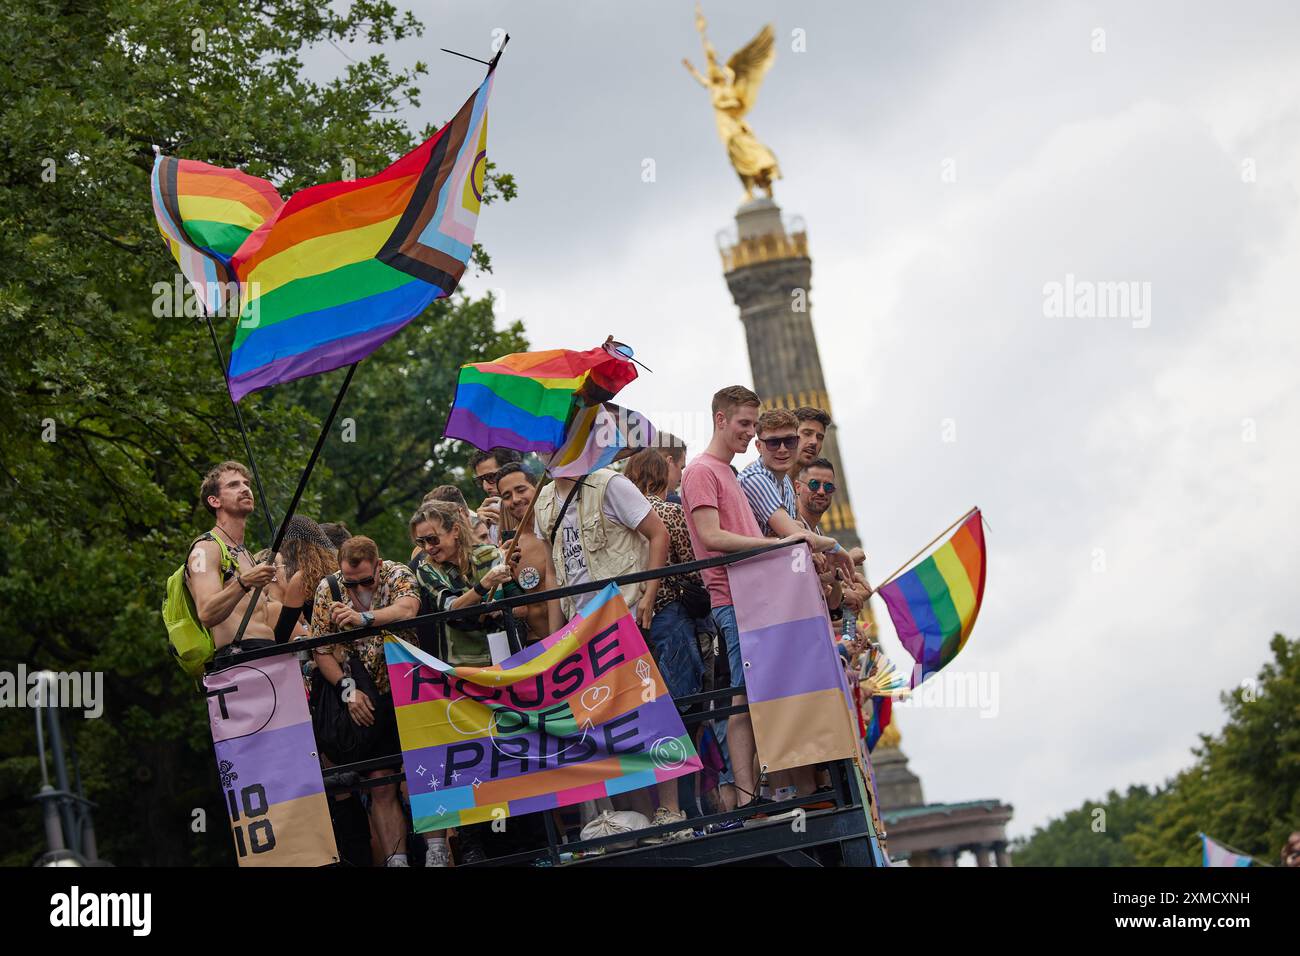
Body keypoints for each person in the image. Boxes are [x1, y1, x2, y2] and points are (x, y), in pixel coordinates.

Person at [679, 387, 838, 817]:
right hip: (730, 599)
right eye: (745, 425)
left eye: (755, 425)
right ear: (720, 420)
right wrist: (781, 543)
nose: (752, 434)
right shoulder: (700, 471)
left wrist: (783, 544)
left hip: (750, 595)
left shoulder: (727, 473)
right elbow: (710, 538)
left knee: (753, 698)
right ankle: (749, 799)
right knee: (744, 701)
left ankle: (757, 794)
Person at [408, 501, 515, 864]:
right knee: (471, 756)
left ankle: (523, 841)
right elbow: (452, 611)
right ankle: (472, 844)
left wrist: (479, 604)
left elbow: (502, 607)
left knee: (512, 747)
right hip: (460, 670)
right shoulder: (426, 568)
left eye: (433, 538)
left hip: (503, 664)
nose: (428, 548)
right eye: (421, 542)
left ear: (455, 529)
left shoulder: (489, 553)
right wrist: (483, 590)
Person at [308, 536, 420, 867]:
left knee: (425, 774)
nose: (358, 587)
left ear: (378, 564)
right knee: (380, 784)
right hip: (364, 696)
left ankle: (438, 854)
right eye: (350, 581)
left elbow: (409, 607)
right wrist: (347, 691)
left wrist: (364, 619)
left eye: (366, 580)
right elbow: (321, 651)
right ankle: (396, 860)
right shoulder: (329, 589)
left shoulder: (396, 573)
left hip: (410, 686)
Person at [623, 448, 705, 842]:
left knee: (643, 713)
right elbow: (693, 563)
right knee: (683, 710)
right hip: (670, 618)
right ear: (661, 474)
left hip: (629, 622)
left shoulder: (621, 516)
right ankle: (684, 808)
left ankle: (648, 814)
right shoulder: (670, 513)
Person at [532, 465, 669, 628]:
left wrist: (649, 596)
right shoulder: (542, 501)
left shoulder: (609, 483)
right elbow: (552, 571)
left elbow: (659, 534)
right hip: (581, 628)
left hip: (627, 615)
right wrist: (555, 635)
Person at [185, 461, 282, 655]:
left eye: (246, 483)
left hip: (268, 652)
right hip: (239, 659)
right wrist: (245, 581)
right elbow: (206, 613)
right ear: (215, 501)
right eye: (233, 485)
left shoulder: (244, 553)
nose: (245, 489)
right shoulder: (204, 549)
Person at [494, 463, 560, 640]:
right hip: (541, 646)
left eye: (521, 490)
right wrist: (501, 569)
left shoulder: (562, 524)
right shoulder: (509, 548)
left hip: (584, 634)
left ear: (537, 487)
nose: (515, 499)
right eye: (506, 496)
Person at [469, 447, 523, 545]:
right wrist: (479, 532)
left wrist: (508, 524)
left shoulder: (539, 506)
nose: (486, 487)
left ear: (512, 470)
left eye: (491, 477)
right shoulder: (490, 515)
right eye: (481, 480)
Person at [790, 405, 831, 486]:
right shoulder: (765, 481)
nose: (814, 442)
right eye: (807, 433)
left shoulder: (810, 490)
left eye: (819, 437)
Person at [658, 432, 688, 504]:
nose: (681, 478)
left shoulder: (633, 495)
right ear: (669, 462)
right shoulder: (673, 503)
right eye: (681, 468)